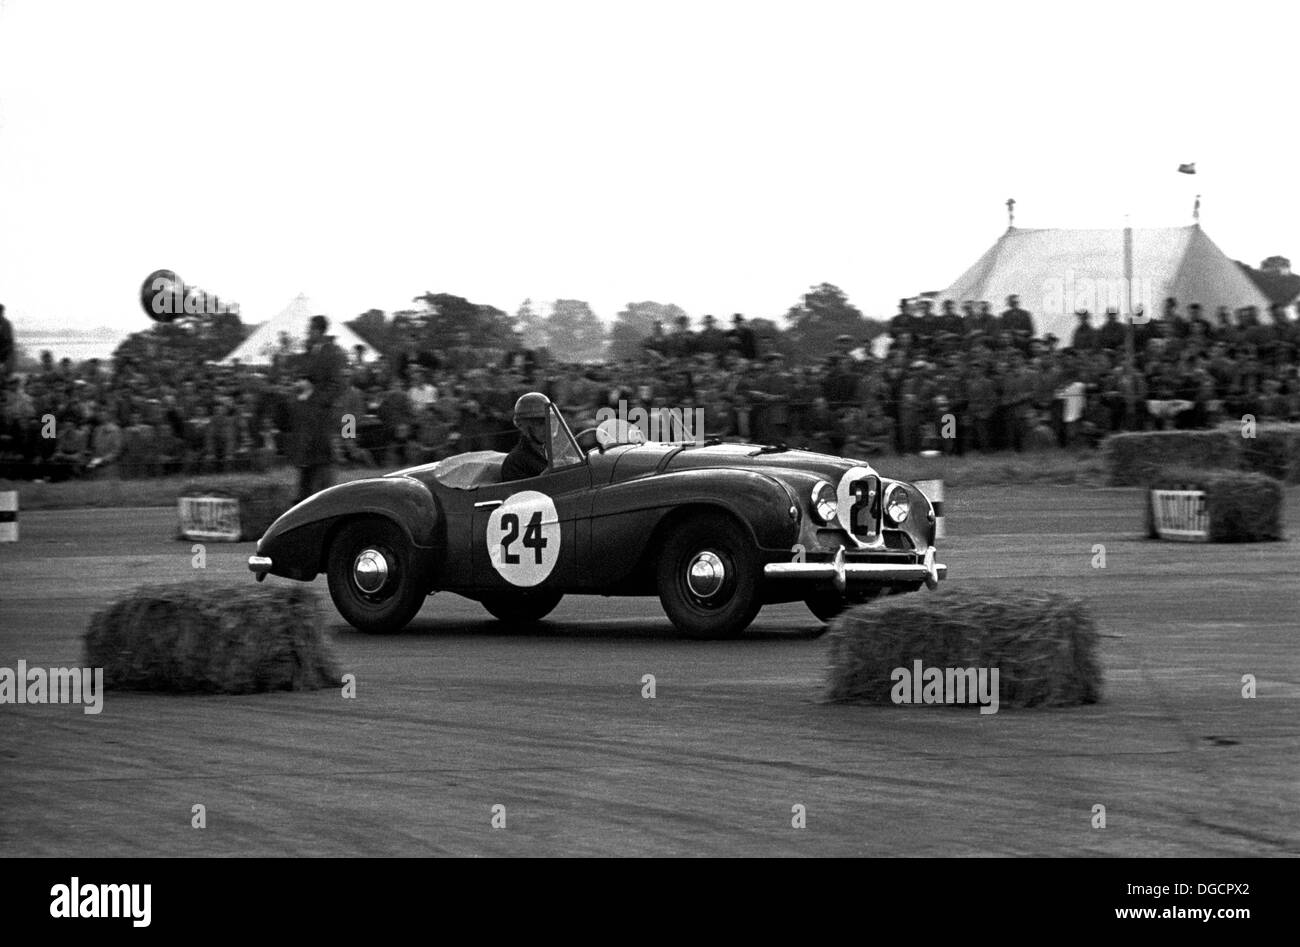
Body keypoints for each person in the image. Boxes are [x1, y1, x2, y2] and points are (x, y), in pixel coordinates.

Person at [288, 315, 347, 502]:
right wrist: (299, 389)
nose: (308, 333)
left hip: (323, 416)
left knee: (323, 461)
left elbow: (336, 384)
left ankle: (325, 499)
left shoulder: (333, 354)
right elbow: (305, 379)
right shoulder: (307, 354)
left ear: (319, 331)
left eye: (311, 329)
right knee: (307, 459)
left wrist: (317, 400)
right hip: (306, 417)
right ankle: (302, 499)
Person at [501, 391, 550, 481]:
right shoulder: (515, 461)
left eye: (549, 422)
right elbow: (520, 493)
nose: (547, 428)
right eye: (540, 423)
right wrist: (544, 477)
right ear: (523, 426)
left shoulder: (556, 452)